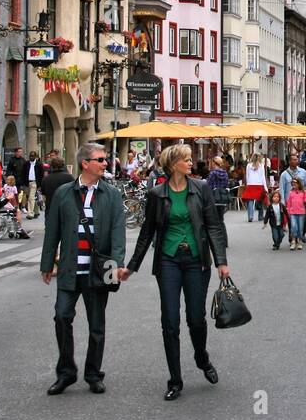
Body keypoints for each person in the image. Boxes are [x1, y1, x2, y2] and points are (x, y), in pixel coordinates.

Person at [119, 143, 228, 401]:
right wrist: (131, 267)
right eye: (187, 160)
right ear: (173, 164)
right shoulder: (157, 194)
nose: (191, 163)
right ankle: (175, 379)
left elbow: (213, 226)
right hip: (168, 260)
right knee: (169, 322)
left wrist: (221, 261)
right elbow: (147, 233)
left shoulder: (201, 188)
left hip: (195, 260)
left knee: (196, 319)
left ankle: (202, 358)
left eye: (191, 159)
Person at [41, 143, 126, 396]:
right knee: (62, 317)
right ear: (85, 163)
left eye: (105, 159)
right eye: (100, 159)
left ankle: (93, 374)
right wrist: (47, 264)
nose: (105, 163)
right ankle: (66, 372)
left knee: (97, 325)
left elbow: (118, 234)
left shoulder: (111, 195)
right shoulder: (64, 193)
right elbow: (52, 231)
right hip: (69, 269)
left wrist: (116, 266)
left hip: (98, 272)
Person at [285, 176, 306, 250]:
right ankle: (293, 241)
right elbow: (289, 203)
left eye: (295, 183)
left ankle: (299, 241)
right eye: (292, 184)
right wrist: (288, 210)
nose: (293, 185)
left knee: (300, 228)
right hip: (293, 212)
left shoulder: (303, 192)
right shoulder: (291, 193)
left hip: (301, 213)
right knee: (294, 227)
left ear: (299, 184)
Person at [243, 153, 267, 224]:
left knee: (250, 201)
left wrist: (247, 184)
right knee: (260, 200)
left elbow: (247, 175)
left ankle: (250, 216)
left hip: (250, 184)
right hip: (259, 184)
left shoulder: (248, 165)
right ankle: (260, 216)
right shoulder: (261, 165)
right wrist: (265, 187)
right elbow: (263, 177)